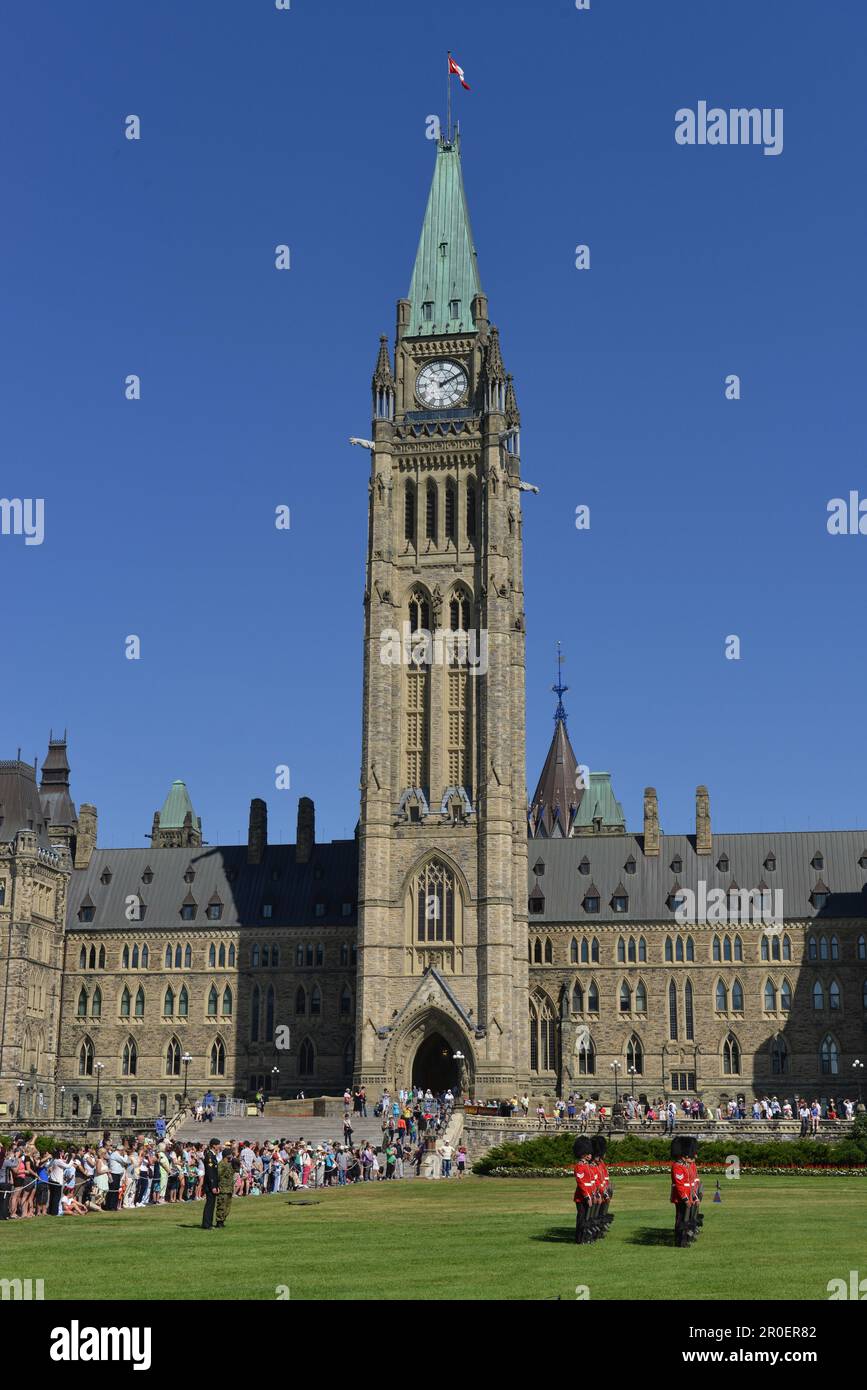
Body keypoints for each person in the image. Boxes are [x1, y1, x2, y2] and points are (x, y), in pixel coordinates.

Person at [670, 1136, 693, 1248]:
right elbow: (679, 1185)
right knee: (680, 1218)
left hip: (685, 1196)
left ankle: (683, 1240)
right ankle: (679, 1241)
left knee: (685, 1218)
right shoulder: (677, 1166)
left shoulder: (682, 1165)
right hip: (680, 1197)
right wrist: (685, 1198)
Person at [572, 1137, 596, 1245]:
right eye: (588, 1153)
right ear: (583, 1153)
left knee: (587, 1218)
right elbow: (581, 1183)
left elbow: (591, 1182)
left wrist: (593, 1194)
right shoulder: (579, 1166)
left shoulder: (587, 1166)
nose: (590, 1155)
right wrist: (587, 1196)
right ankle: (579, 1239)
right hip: (581, 1197)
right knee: (581, 1218)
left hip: (589, 1195)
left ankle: (585, 1237)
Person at [202, 1139, 221, 1229]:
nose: (219, 1146)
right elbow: (210, 1173)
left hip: (213, 1184)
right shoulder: (209, 1156)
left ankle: (209, 1223)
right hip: (210, 1184)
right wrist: (213, 1186)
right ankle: (206, 1224)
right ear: (214, 1145)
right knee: (209, 1204)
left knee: (212, 1204)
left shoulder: (213, 1155)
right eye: (218, 1145)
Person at [215, 1151, 238, 1228]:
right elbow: (218, 1175)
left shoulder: (229, 1164)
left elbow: (234, 1171)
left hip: (229, 1188)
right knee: (221, 1206)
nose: (231, 1156)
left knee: (227, 1207)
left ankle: (223, 1220)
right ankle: (219, 1221)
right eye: (230, 1155)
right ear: (226, 1155)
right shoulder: (221, 1164)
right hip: (223, 1188)